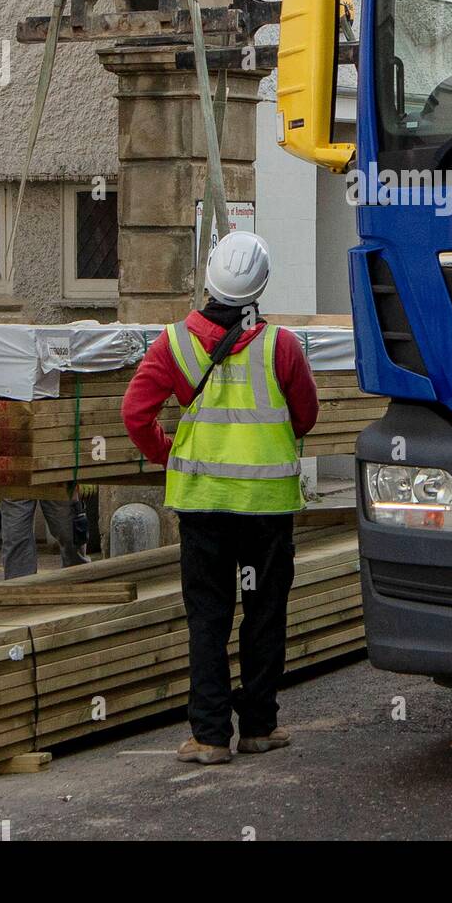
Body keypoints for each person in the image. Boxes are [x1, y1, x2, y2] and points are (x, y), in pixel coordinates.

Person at [121, 232, 318, 765]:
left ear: (206, 277)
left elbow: (135, 414)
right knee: (264, 612)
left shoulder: (174, 343)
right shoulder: (281, 346)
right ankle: (258, 727)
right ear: (261, 288)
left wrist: (170, 454)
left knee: (207, 617)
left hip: (203, 505)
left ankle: (209, 736)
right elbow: (306, 416)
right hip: (266, 509)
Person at [0, 492, 90, 579]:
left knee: (69, 533)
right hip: (17, 479)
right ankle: (19, 590)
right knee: (17, 538)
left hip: (59, 480)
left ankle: (79, 579)